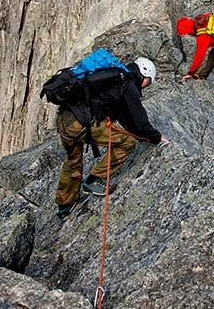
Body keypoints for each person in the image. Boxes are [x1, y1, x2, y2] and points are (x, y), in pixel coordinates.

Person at [54, 56, 165, 218]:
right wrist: (157, 138)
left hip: (64, 119)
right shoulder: (128, 85)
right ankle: (94, 180)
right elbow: (139, 123)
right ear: (144, 74)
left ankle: (64, 207)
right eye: (149, 81)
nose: (147, 85)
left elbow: (126, 119)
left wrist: (143, 135)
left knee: (73, 160)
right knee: (126, 143)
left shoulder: (115, 76)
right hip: (82, 123)